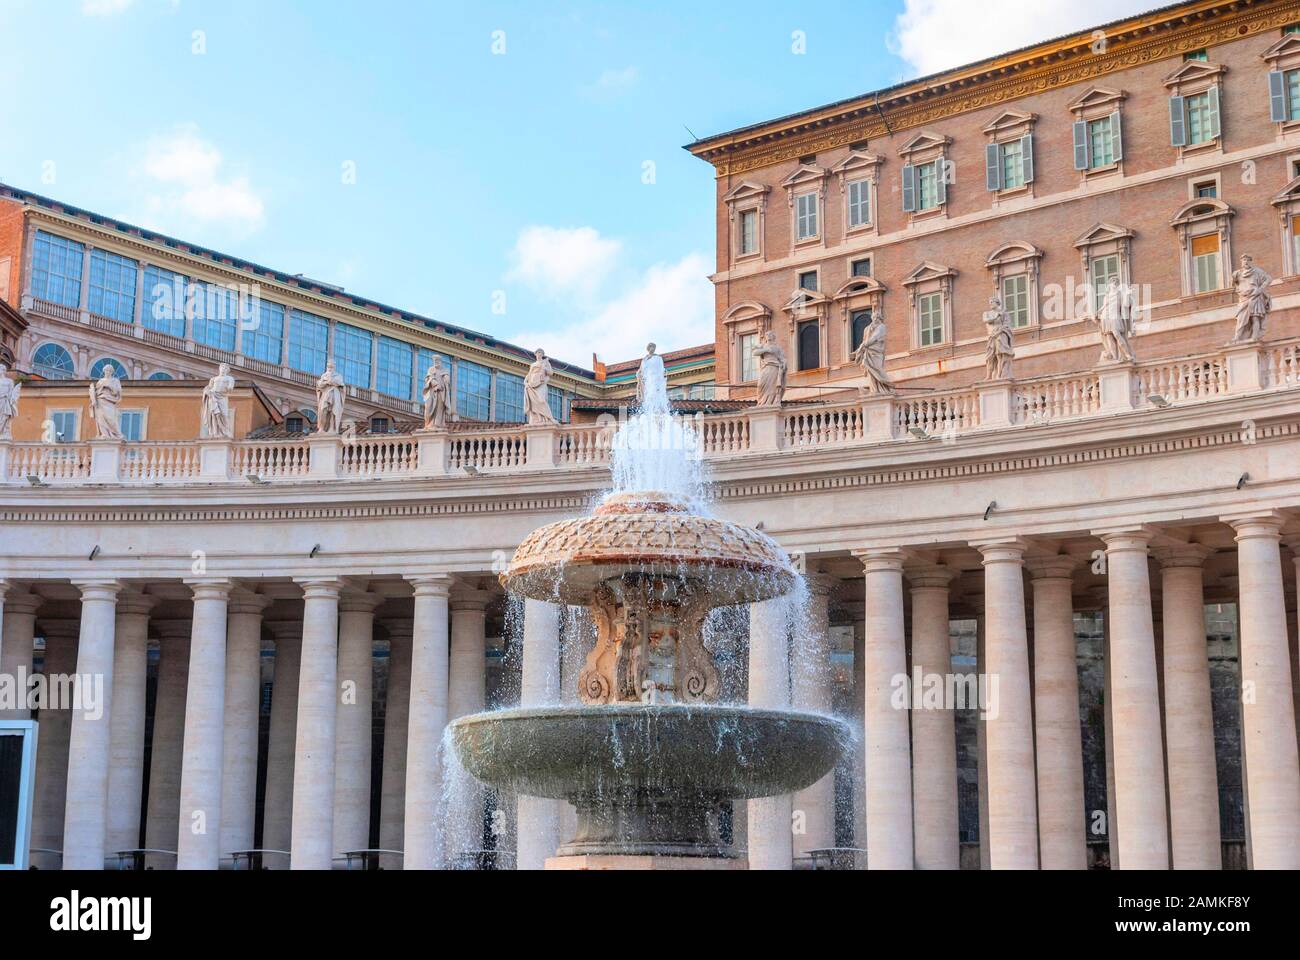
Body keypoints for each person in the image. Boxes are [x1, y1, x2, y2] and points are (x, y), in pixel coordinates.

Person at [848, 312, 894, 395]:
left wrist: (863, 346)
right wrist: (858, 351)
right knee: (870, 370)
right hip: (868, 352)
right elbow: (864, 341)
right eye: (874, 318)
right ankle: (874, 389)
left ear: (880, 319)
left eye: (877, 318)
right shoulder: (867, 329)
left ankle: (886, 385)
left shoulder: (881, 327)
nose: (875, 319)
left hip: (877, 352)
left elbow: (875, 337)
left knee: (877, 368)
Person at [1230, 254, 1271, 343]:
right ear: (1241, 262)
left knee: (1255, 317)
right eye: (1244, 260)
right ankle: (1237, 337)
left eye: (1248, 260)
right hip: (1243, 298)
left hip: (1255, 296)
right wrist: (1240, 291)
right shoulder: (1237, 273)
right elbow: (1235, 285)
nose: (1246, 262)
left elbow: (1268, 279)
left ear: (1250, 261)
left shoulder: (1257, 271)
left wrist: (1260, 289)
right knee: (1240, 318)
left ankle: (1254, 337)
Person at [1096, 275, 1137, 363]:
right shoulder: (1106, 296)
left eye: (1116, 281)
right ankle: (1114, 357)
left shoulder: (1120, 294)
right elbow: (1104, 306)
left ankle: (1127, 354)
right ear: (1109, 285)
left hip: (1115, 316)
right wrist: (1097, 313)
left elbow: (1126, 304)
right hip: (1105, 316)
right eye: (1112, 281)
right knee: (1109, 337)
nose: (1114, 282)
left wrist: (1128, 294)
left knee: (1117, 335)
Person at [89, 363, 124, 439]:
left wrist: (109, 386)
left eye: (109, 371)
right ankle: (104, 434)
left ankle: (117, 434)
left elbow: (118, 392)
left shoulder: (115, 381)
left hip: (110, 401)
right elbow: (96, 392)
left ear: (112, 372)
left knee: (111, 419)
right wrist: (93, 395)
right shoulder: (100, 381)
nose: (107, 372)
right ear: (104, 371)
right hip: (100, 401)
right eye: (106, 370)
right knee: (100, 418)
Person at [983, 296, 1015, 380]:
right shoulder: (987, 313)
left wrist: (999, 331)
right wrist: (997, 316)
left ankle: (1000, 375)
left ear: (997, 303)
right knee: (989, 357)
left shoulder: (1004, 314)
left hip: (1000, 335)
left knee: (1000, 354)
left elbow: (1007, 325)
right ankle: (988, 376)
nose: (990, 304)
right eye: (989, 302)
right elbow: (986, 320)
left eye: (992, 302)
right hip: (991, 336)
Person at [201, 363, 235, 439]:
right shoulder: (213, 379)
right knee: (213, 414)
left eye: (226, 368)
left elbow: (230, 387)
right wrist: (206, 391)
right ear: (219, 368)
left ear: (228, 371)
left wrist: (229, 388)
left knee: (224, 414)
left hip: (222, 397)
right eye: (222, 367)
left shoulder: (230, 378)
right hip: (213, 396)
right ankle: (214, 432)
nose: (223, 369)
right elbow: (208, 387)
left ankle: (225, 432)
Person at [524, 348, 558, 425]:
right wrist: (525, 381)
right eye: (538, 352)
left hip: (541, 383)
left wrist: (545, 369)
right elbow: (529, 374)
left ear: (542, 354)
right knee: (534, 403)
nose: (539, 354)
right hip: (532, 383)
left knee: (542, 400)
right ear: (535, 354)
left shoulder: (545, 362)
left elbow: (551, 373)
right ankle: (538, 419)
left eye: (541, 353)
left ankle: (549, 418)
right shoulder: (532, 364)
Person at [753, 330, 787, 406]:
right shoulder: (763, 346)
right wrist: (765, 350)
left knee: (773, 386)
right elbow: (754, 352)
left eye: (769, 335)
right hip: (766, 368)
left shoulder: (778, 348)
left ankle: (770, 402)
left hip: (774, 368)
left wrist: (784, 363)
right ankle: (761, 402)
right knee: (760, 385)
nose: (768, 336)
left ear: (773, 337)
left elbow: (782, 358)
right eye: (767, 335)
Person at [315, 359, 346, 434]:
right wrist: (326, 382)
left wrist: (330, 381)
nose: (330, 367)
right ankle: (322, 428)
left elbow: (340, 383)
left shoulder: (338, 375)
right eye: (329, 365)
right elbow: (319, 385)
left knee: (333, 411)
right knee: (323, 410)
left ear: (334, 366)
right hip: (325, 394)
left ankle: (332, 428)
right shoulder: (323, 375)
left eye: (332, 365)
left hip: (334, 394)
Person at [422, 355, 453, 430]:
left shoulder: (445, 370)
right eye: (435, 361)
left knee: (439, 408)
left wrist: (446, 379)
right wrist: (435, 383)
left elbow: (447, 381)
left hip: (441, 392)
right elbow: (428, 379)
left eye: (438, 361)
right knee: (428, 407)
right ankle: (429, 423)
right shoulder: (431, 369)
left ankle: (437, 424)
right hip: (432, 391)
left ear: (440, 362)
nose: (436, 362)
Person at [636, 343, 665, 407]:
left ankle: (656, 406)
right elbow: (641, 369)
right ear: (648, 348)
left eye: (654, 347)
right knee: (648, 393)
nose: (653, 349)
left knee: (655, 392)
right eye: (652, 347)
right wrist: (639, 373)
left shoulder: (658, 357)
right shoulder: (645, 359)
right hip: (648, 378)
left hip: (655, 377)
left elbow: (661, 368)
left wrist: (661, 377)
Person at [0, 363, 20, 440]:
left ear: (4, 371)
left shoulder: (9, 381)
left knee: (4, 416)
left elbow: (11, 393)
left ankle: (3, 432)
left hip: (4, 400)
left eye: (1, 369)